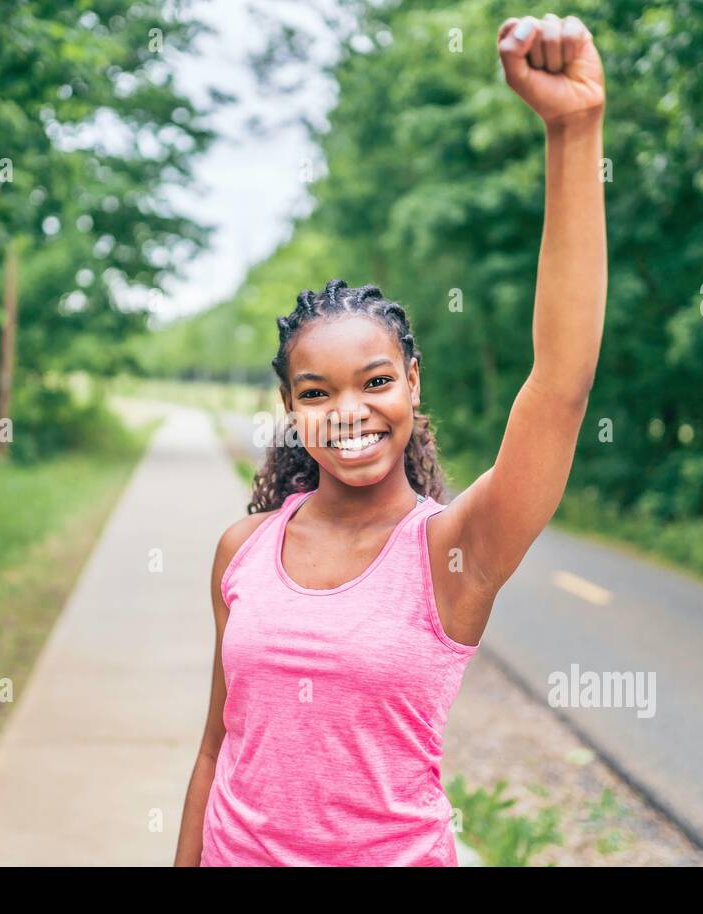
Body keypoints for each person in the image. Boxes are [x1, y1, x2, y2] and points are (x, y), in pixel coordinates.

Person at [174, 13, 607, 866]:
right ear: (290, 407)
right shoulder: (242, 550)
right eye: (316, 391)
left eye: (375, 382)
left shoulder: (454, 552)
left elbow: (559, 386)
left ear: (413, 381)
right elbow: (215, 750)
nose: (349, 410)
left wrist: (572, 130)